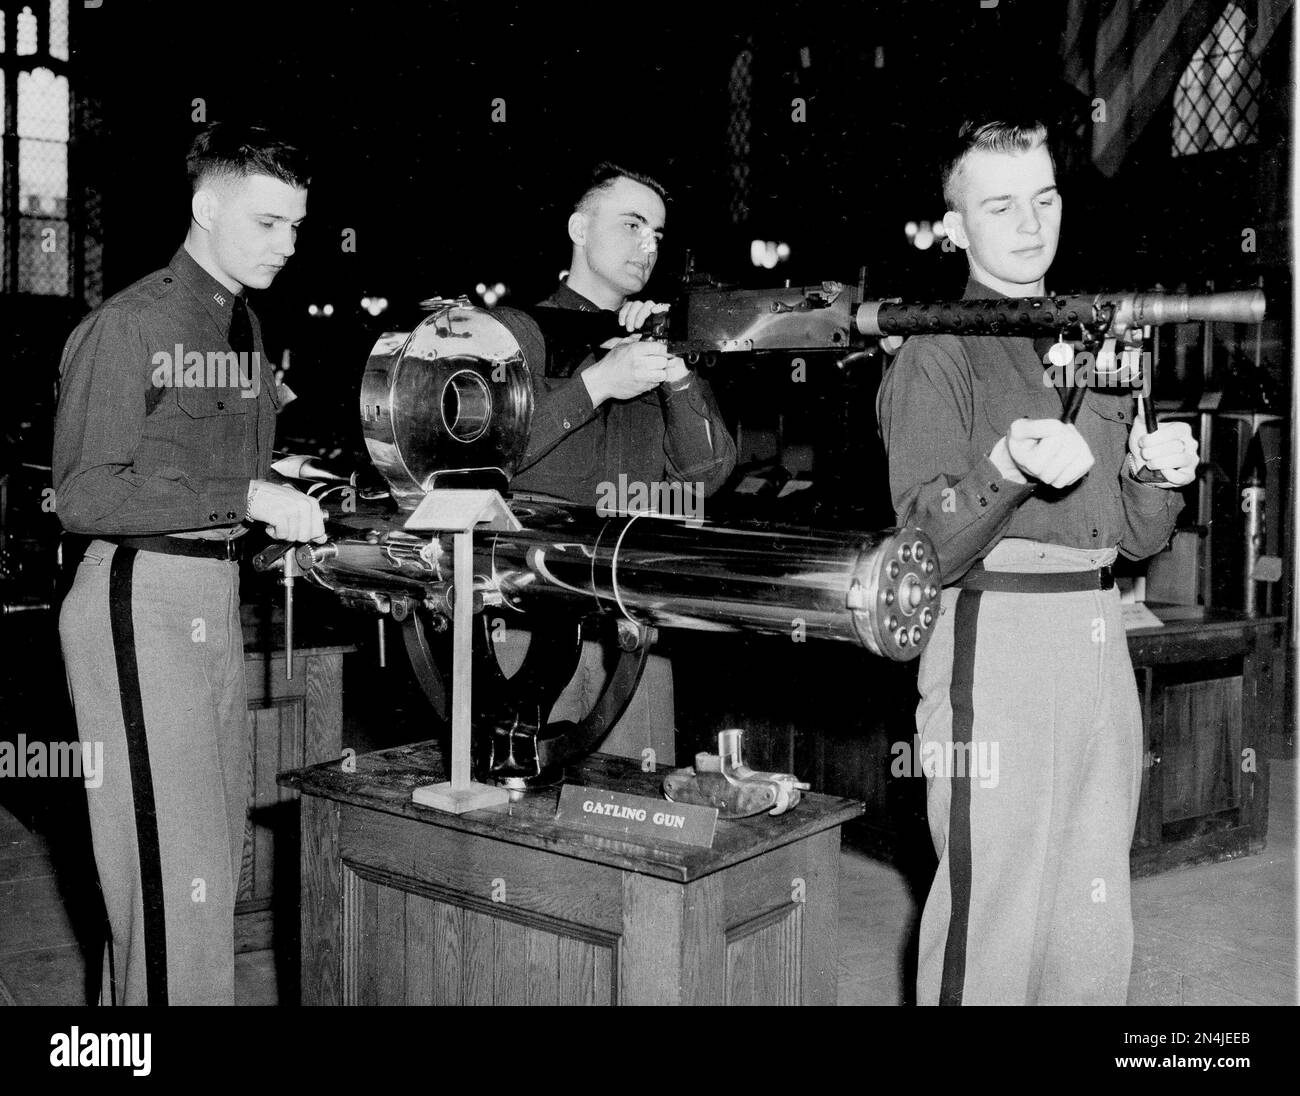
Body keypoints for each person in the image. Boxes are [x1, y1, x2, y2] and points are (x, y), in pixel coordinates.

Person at [876, 118, 1199, 1006]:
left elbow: (1134, 539)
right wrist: (1006, 469)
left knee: (1093, 913)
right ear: (954, 226)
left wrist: (1156, 474)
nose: (1030, 223)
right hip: (995, 635)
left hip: (1099, 639)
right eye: (1001, 204)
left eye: (1046, 198)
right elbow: (922, 546)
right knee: (997, 910)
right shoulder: (934, 355)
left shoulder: (1097, 341)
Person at [53, 121, 323, 1005]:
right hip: (140, 593)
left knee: (200, 860)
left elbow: (209, 461)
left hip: (207, 590)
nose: (287, 245)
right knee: (170, 873)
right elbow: (87, 493)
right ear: (206, 209)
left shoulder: (240, 319)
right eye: (267, 223)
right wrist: (247, 498)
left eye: (296, 226)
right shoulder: (132, 322)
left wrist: (280, 478)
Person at [504, 163, 737, 765]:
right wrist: (598, 384)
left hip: (627, 618)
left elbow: (707, 474)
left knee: (635, 813)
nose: (647, 246)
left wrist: (676, 368)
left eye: (657, 234)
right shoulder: (516, 333)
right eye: (631, 225)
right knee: (516, 799)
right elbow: (489, 458)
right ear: (579, 228)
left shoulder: (655, 339)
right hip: (526, 616)